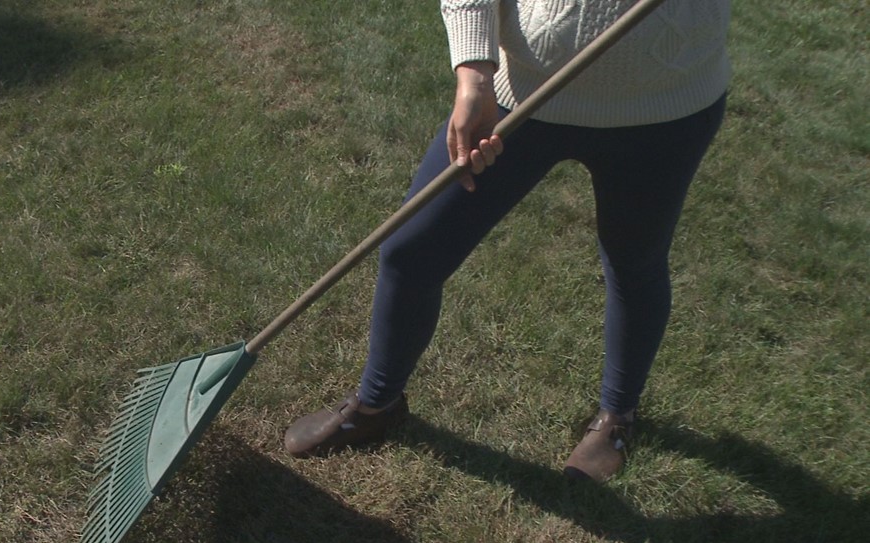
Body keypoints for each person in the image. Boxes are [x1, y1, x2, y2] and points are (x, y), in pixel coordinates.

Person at [284, 0, 731, 482]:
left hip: (664, 109)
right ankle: (376, 404)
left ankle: (617, 417)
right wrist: (474, 71)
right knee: (412, 249)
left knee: (634, 262)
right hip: (520, 91)